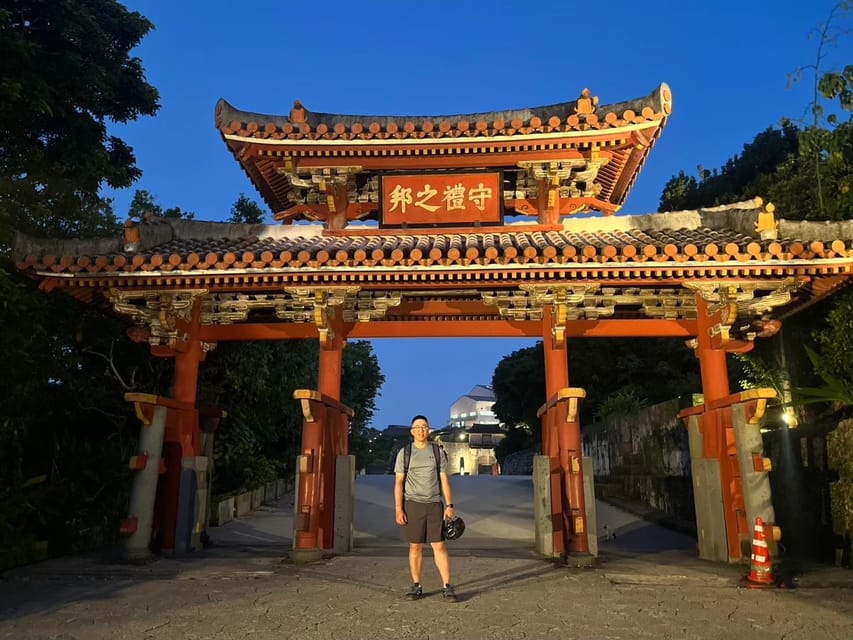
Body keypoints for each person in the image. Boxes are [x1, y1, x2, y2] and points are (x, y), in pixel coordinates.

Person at [394, 414, 458, 602]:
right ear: (412, 431)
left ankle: (447, 586)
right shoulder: (404, 453)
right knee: (415, 546)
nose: (422, 430)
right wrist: (399, 508)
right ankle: (416, 585)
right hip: (412, 504)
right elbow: (399, 482)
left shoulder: (437, 451)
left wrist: (449, 505)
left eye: (425, 426)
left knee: (439, 546)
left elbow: (444, 480)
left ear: (428, 430)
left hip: (434, 504)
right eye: (418, 427)